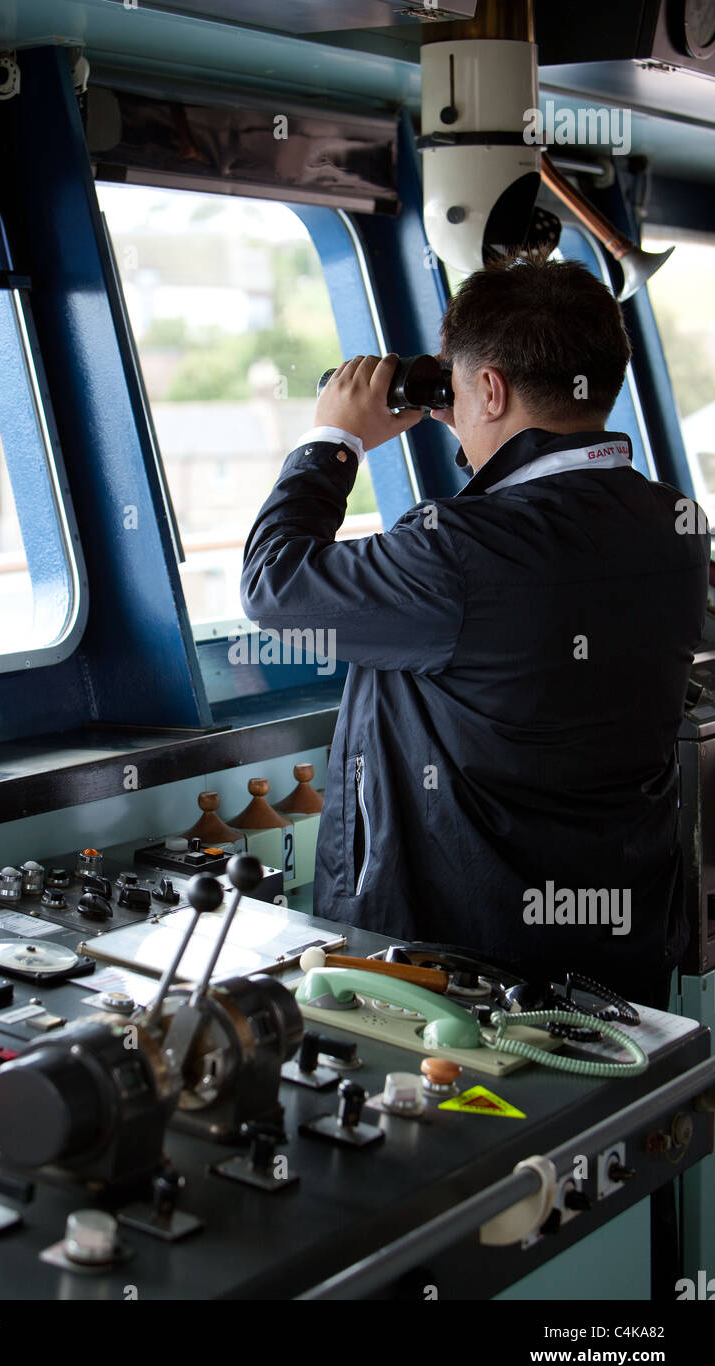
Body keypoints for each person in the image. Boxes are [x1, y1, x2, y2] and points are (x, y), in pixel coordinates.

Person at [240, 250, 709, 1010]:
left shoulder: (461, 550)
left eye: (456, 391)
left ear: (489, 388)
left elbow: (274, 588)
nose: (450, 410)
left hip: (458, 973)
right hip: (614, 947)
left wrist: (333, 442)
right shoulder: (674, 526)